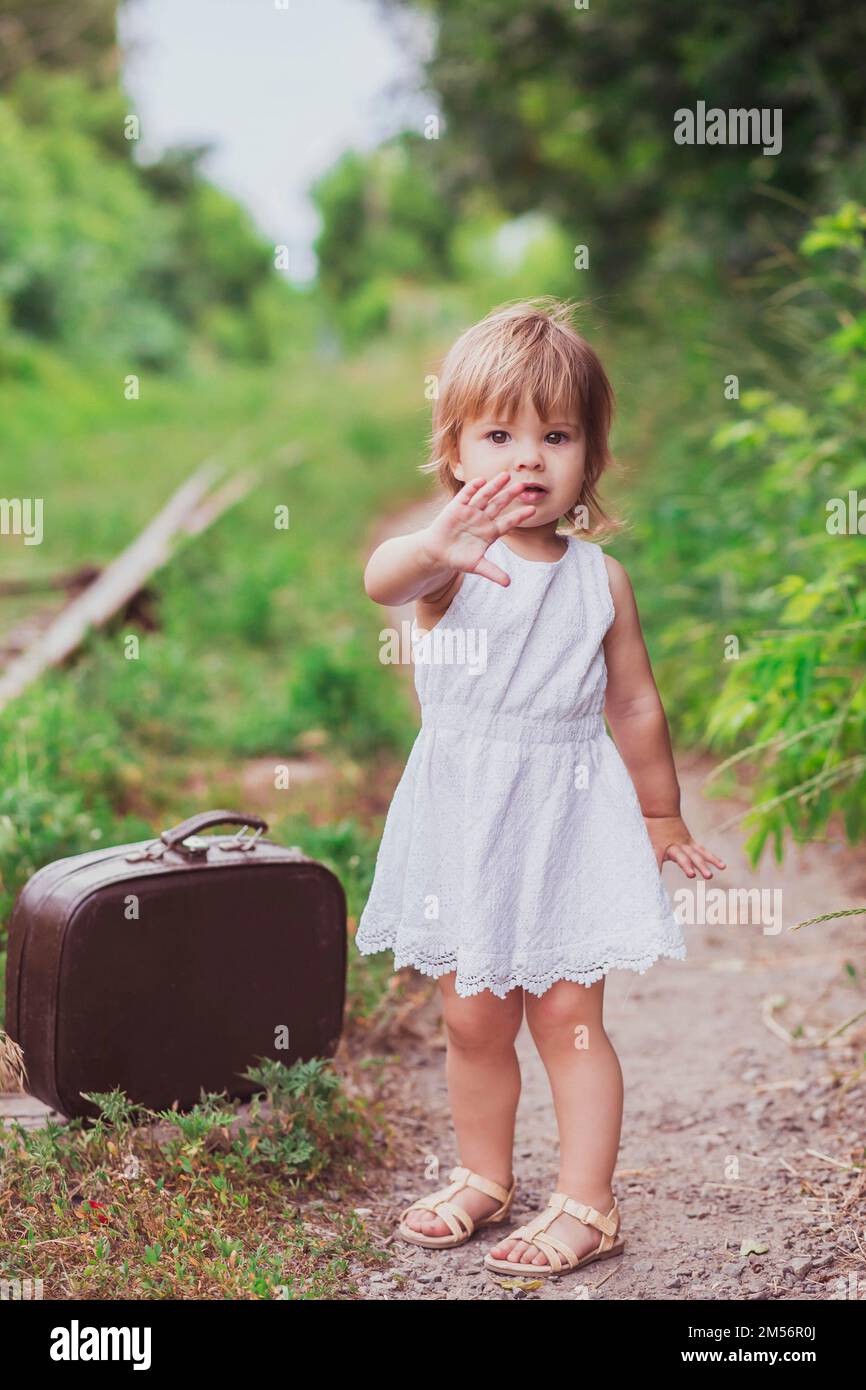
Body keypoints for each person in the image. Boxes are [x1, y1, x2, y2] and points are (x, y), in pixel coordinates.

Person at [355, 297, 726, 1278]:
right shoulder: (447, 565)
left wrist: (657, 812)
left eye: (554, 435)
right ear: (454, 456)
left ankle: (585, 1203)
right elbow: (380, 580)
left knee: (567, 1017)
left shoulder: (598, 581)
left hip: (566, 821)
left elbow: (635, 705)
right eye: (498, 434)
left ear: (588, 458)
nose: (526, 458)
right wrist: (433, 548)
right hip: (465, 822)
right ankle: (482, 1176)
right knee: (471, 1018)